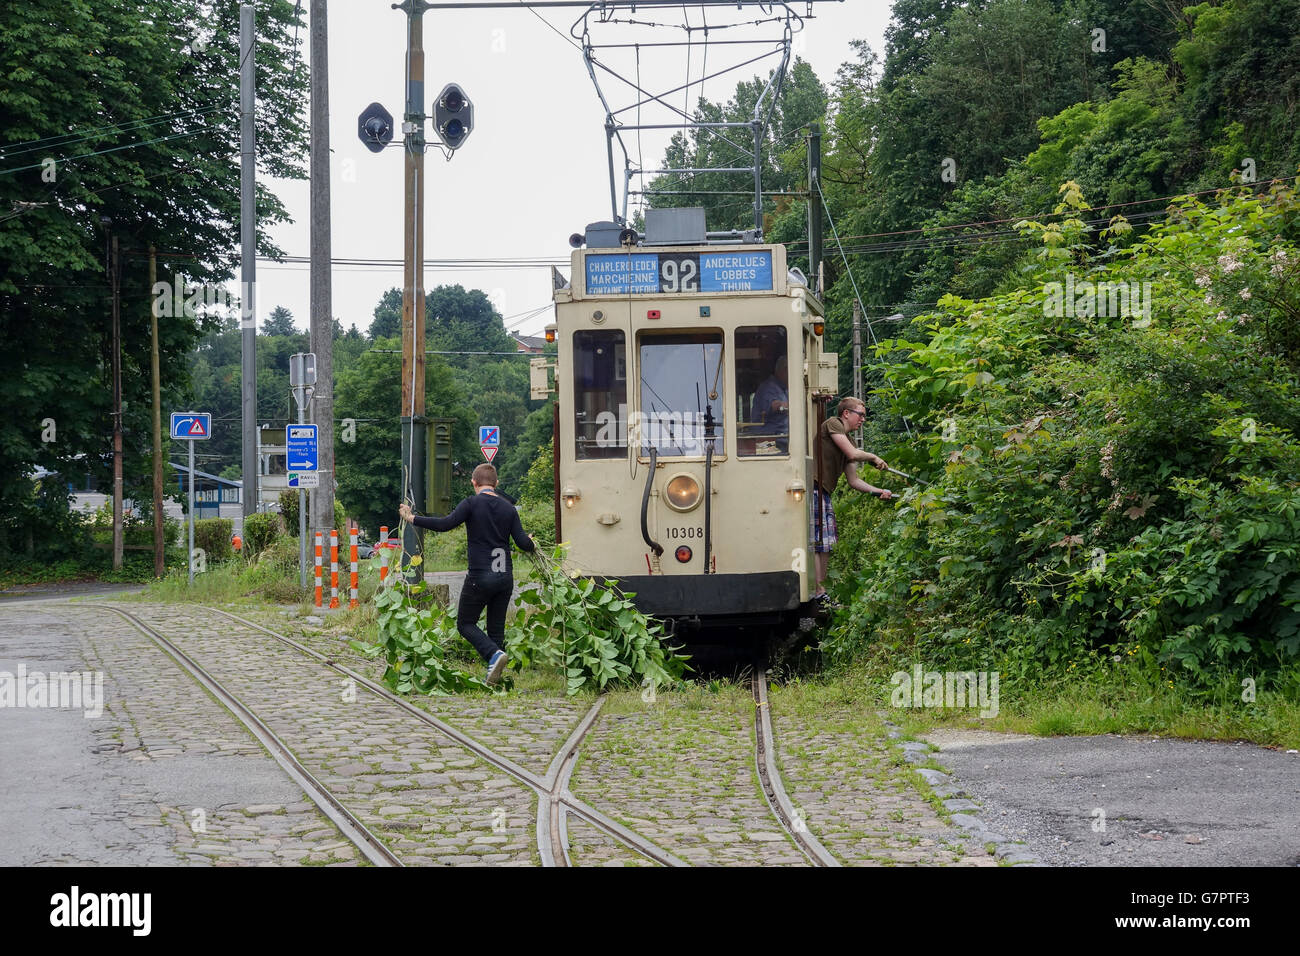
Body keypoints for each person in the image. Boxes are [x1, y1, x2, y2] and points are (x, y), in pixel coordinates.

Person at [398, 463, 535, 685]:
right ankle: (495, 676)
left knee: (465, 623)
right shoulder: (508, 508)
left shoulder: (471, 504)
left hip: (481, 576)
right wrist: (531, 542)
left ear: (474, 482)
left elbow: (444, 524)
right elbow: (523, 543)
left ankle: (494, 656)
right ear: (496, 484)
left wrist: (412, 519)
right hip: (504, 577)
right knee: (496, 629)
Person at [812, 396, 892, 605]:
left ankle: (822, 593)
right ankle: (818, 592)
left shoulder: (851, 441)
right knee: (818, 542)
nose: (863, 420)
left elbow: (854, 480)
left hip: (824, 493)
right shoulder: (833, 424)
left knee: (827, 544)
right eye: (861, 415)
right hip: (813, 488)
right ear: (846, 413)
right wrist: (873, 457)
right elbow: (853, 455)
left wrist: (878, 491)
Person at [749, 355, 790, 452]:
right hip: (769, 443)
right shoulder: (768, 387)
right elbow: (775, 405)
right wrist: (796, 406)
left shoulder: (784, 388)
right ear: (784, 370)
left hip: (781, 440)